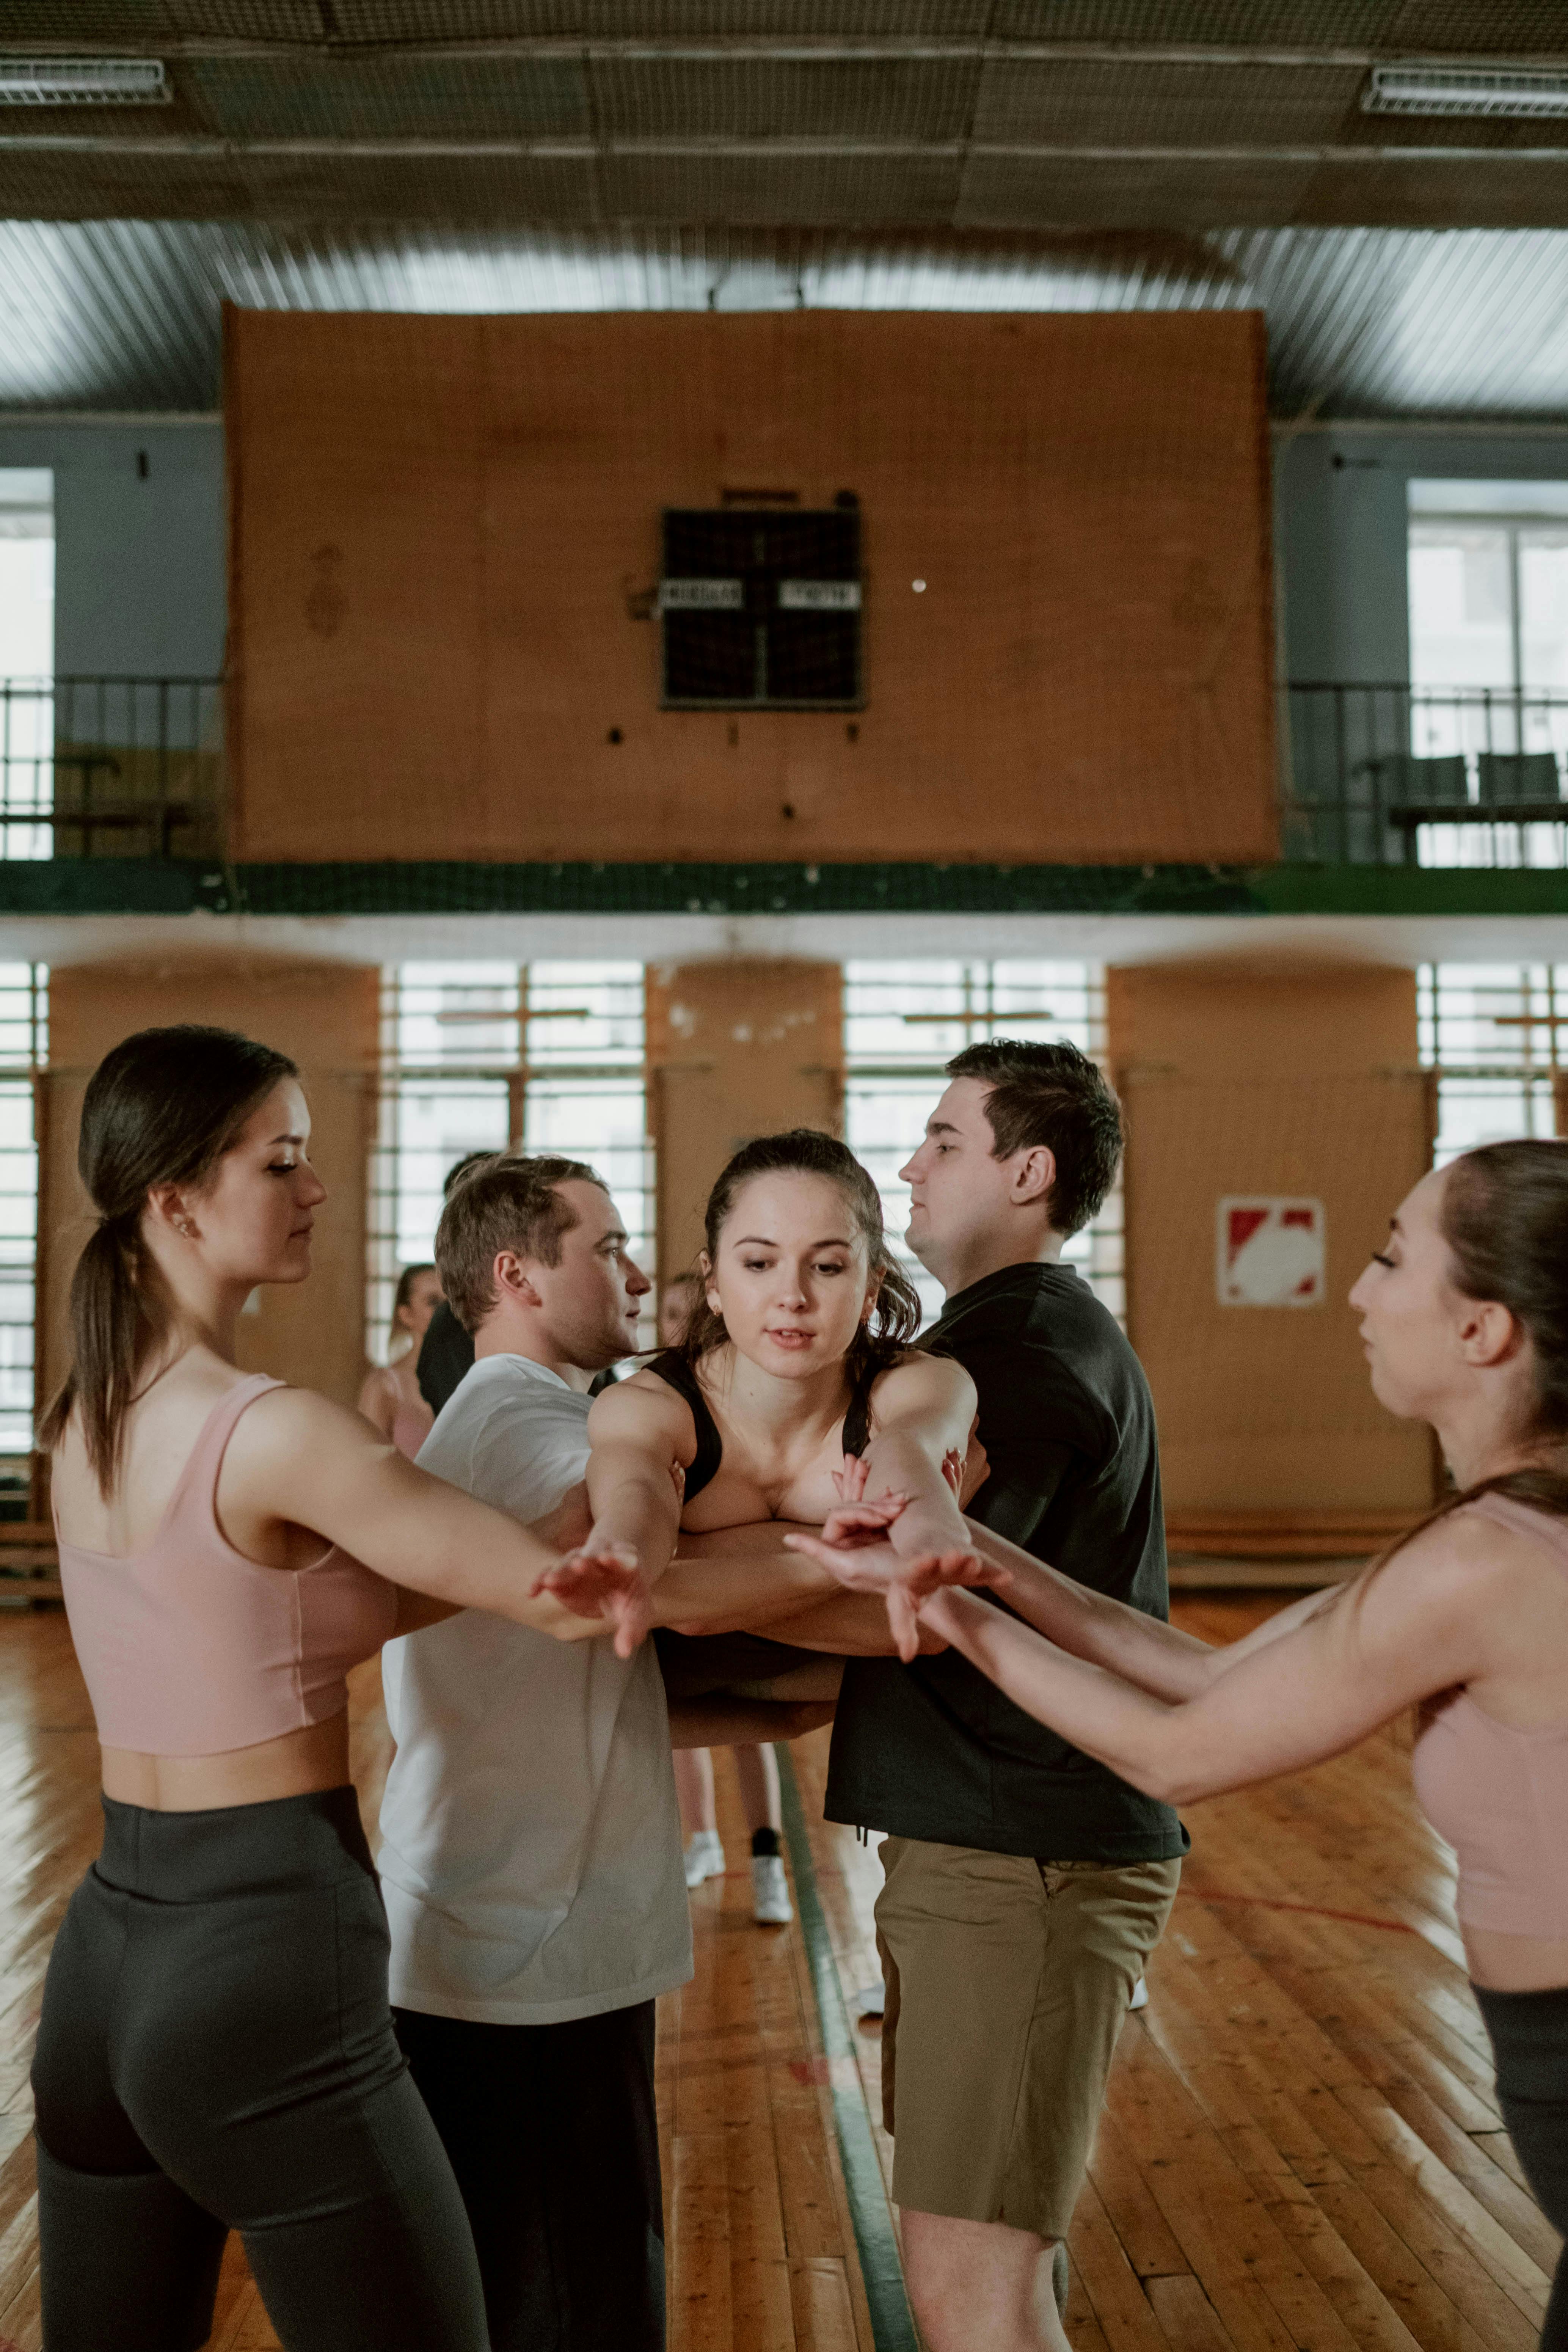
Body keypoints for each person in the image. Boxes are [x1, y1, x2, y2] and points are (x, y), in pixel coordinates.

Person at [811, 1137, 1568, 2352]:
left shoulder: (1485, 1563)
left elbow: (1182, 1749)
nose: (1360, 1292)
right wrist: (968, 1556)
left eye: (1389, 1258)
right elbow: (1209, 1668)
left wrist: (941, 1605)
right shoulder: (1507, 1525)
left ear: (1481, 1331)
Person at [31, 1027, 646, 2352]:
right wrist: (668, 1447)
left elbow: (332, 1604)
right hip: (261, 1961)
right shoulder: (278, 1432)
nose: (315, 1190)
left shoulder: (82, 1419)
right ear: (176, 1198)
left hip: (104, 1959)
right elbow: (555, 1587)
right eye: (285, 1159)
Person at [787, 1041, 1187, 2352]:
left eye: (943, 1138)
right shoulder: (1014, 1328)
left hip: (1022, 1857)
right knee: (992, 2276)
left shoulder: (1015, 1349)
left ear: (1029, 1171)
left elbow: (902, 1583)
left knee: (972, 2298)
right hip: (1002, 1849)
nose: (908, 1163)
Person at [379, 1155, 689, 2352]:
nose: (636, 1271)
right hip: (529, 1956)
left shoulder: (505, 1415)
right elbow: (662, 1567)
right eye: (606, 1246)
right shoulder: (531, 1421)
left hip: (505, 1935)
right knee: (574, 2313)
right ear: (516, 1273)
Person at [582, 1131, 983, 1742]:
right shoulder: (644, 1409)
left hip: (800, 1705)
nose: (792, 1297)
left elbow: (929, 1613)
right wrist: (857, 1560)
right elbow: (635, 1521)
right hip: (624, 1718)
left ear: (870, 1286)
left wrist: (698, 1579)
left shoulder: (924, 1386)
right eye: (758, 1263)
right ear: (712, 1282)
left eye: (825, 1266)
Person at [658, 1269, 795, 1925]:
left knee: (753, 1733)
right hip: (685, 1601)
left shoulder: (743, 1393)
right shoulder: (649, 1395)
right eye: (668, 1314)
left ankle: (767, 1860)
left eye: (689, 1314)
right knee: (682, 1731)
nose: (677, 1327)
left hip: (741, 1595)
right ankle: (703, 1839)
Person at [358, 1261, 443, 1458]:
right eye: (434, 1302)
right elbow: (368, 1473)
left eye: (455, 1300)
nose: (449, 1311)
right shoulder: (384, 1387)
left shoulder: (477, 1379)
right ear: (407, 1315)